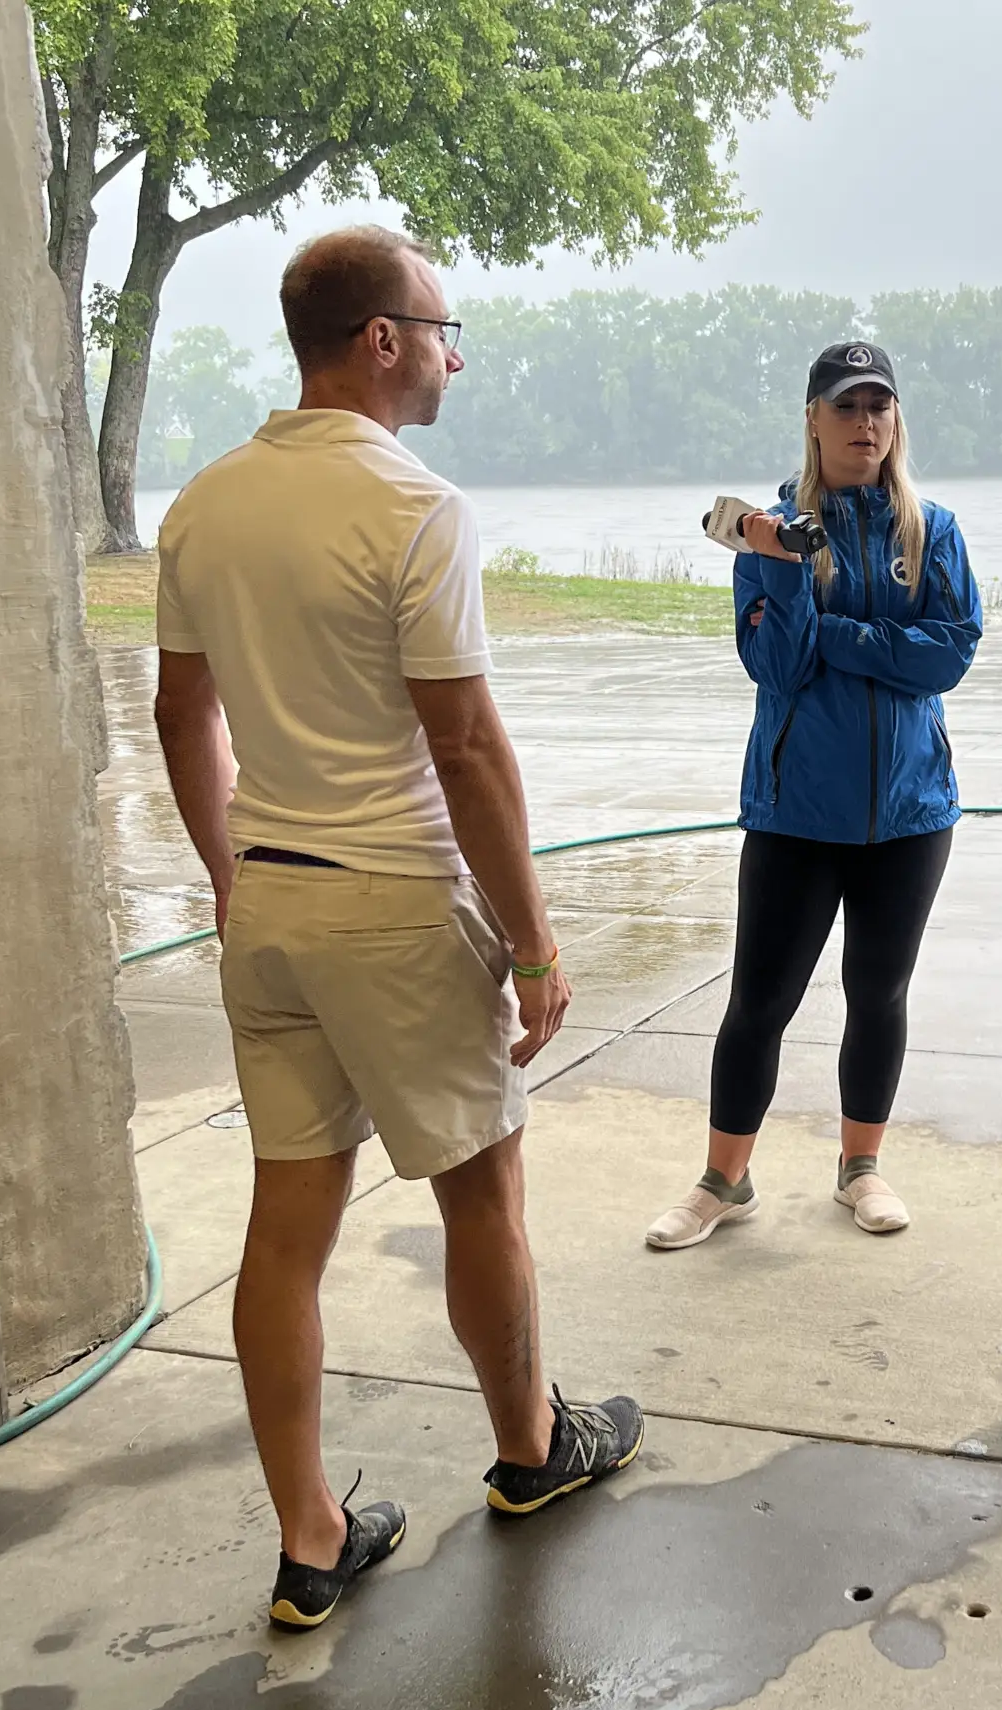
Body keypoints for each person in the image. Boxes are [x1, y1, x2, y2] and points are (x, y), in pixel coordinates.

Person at [153, 225, 642, 1632]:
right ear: (380, 338)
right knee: (482, 1190)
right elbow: (468, 746)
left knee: (286, 1221)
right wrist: (536, 946)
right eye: (441, 325)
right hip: (396, 903)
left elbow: (183, 716)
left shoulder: (206, 503)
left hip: (277, 900)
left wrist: (233, 872)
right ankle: (533, 1450)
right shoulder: (413, 506)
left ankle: (313, 1538)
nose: (454, 350)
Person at [645, 342, 983, 1250]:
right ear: (813, 419)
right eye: (847, 407)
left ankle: (860, 1169)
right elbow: (775, 663)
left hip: (911, 813)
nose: (865, 424)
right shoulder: (765, 531)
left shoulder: (933, 530)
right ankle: (724, 1181)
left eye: (880, 406)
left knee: (880, 993)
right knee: (760, 1001)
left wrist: (838, 633)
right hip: (796, 813)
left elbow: (948, 654)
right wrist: (786, 567)